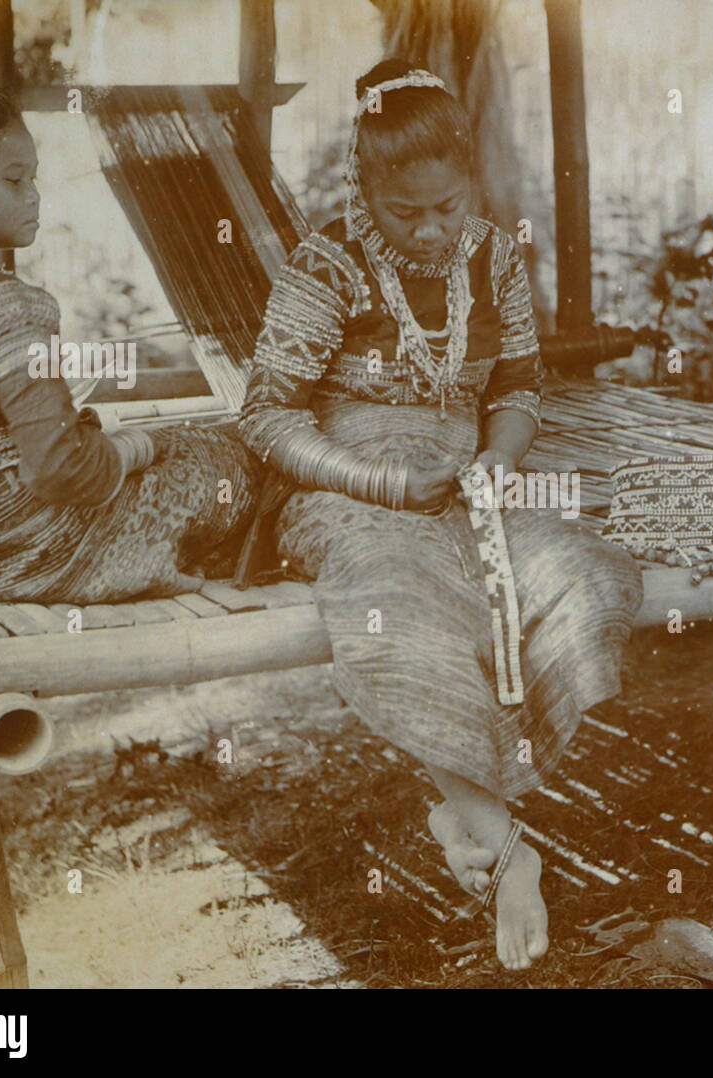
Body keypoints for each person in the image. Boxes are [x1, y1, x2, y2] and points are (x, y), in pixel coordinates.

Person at [239, 59, 642, 970]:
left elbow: (519, 385)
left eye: (446, 209)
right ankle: (500, 844)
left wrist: (498, 457)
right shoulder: (327, 263)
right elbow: (265, 414)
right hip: (346, 489)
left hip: (468, 482)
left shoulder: (494, 256)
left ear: (471, 185)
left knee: (581, 572)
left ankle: (478, 820)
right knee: (402, 599)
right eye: (402, 211)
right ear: (362, 186)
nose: (428, 232)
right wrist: (378, 484)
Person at [0, 82, 257, 602]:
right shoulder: (3, 303)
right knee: (237, 456)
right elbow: (63, 470)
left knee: (198, 443)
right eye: (15, 179)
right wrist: (143, 446)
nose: (34, 195)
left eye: (33, 178)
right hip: (57, 545)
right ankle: (135, 557)